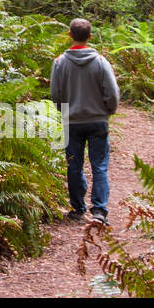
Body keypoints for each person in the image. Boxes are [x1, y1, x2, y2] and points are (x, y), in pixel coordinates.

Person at [50, 18, 120, 225]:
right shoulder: (100, 61)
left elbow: (56, 93)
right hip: (98, 121)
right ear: (90, 36)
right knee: (99, 166)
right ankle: (99, 211)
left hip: (72, 122)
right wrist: (109, 110)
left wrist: (65, 112)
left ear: (70, 35)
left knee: (74, 165)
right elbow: (112, 92)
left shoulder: (60, 62)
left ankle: (78, 208)